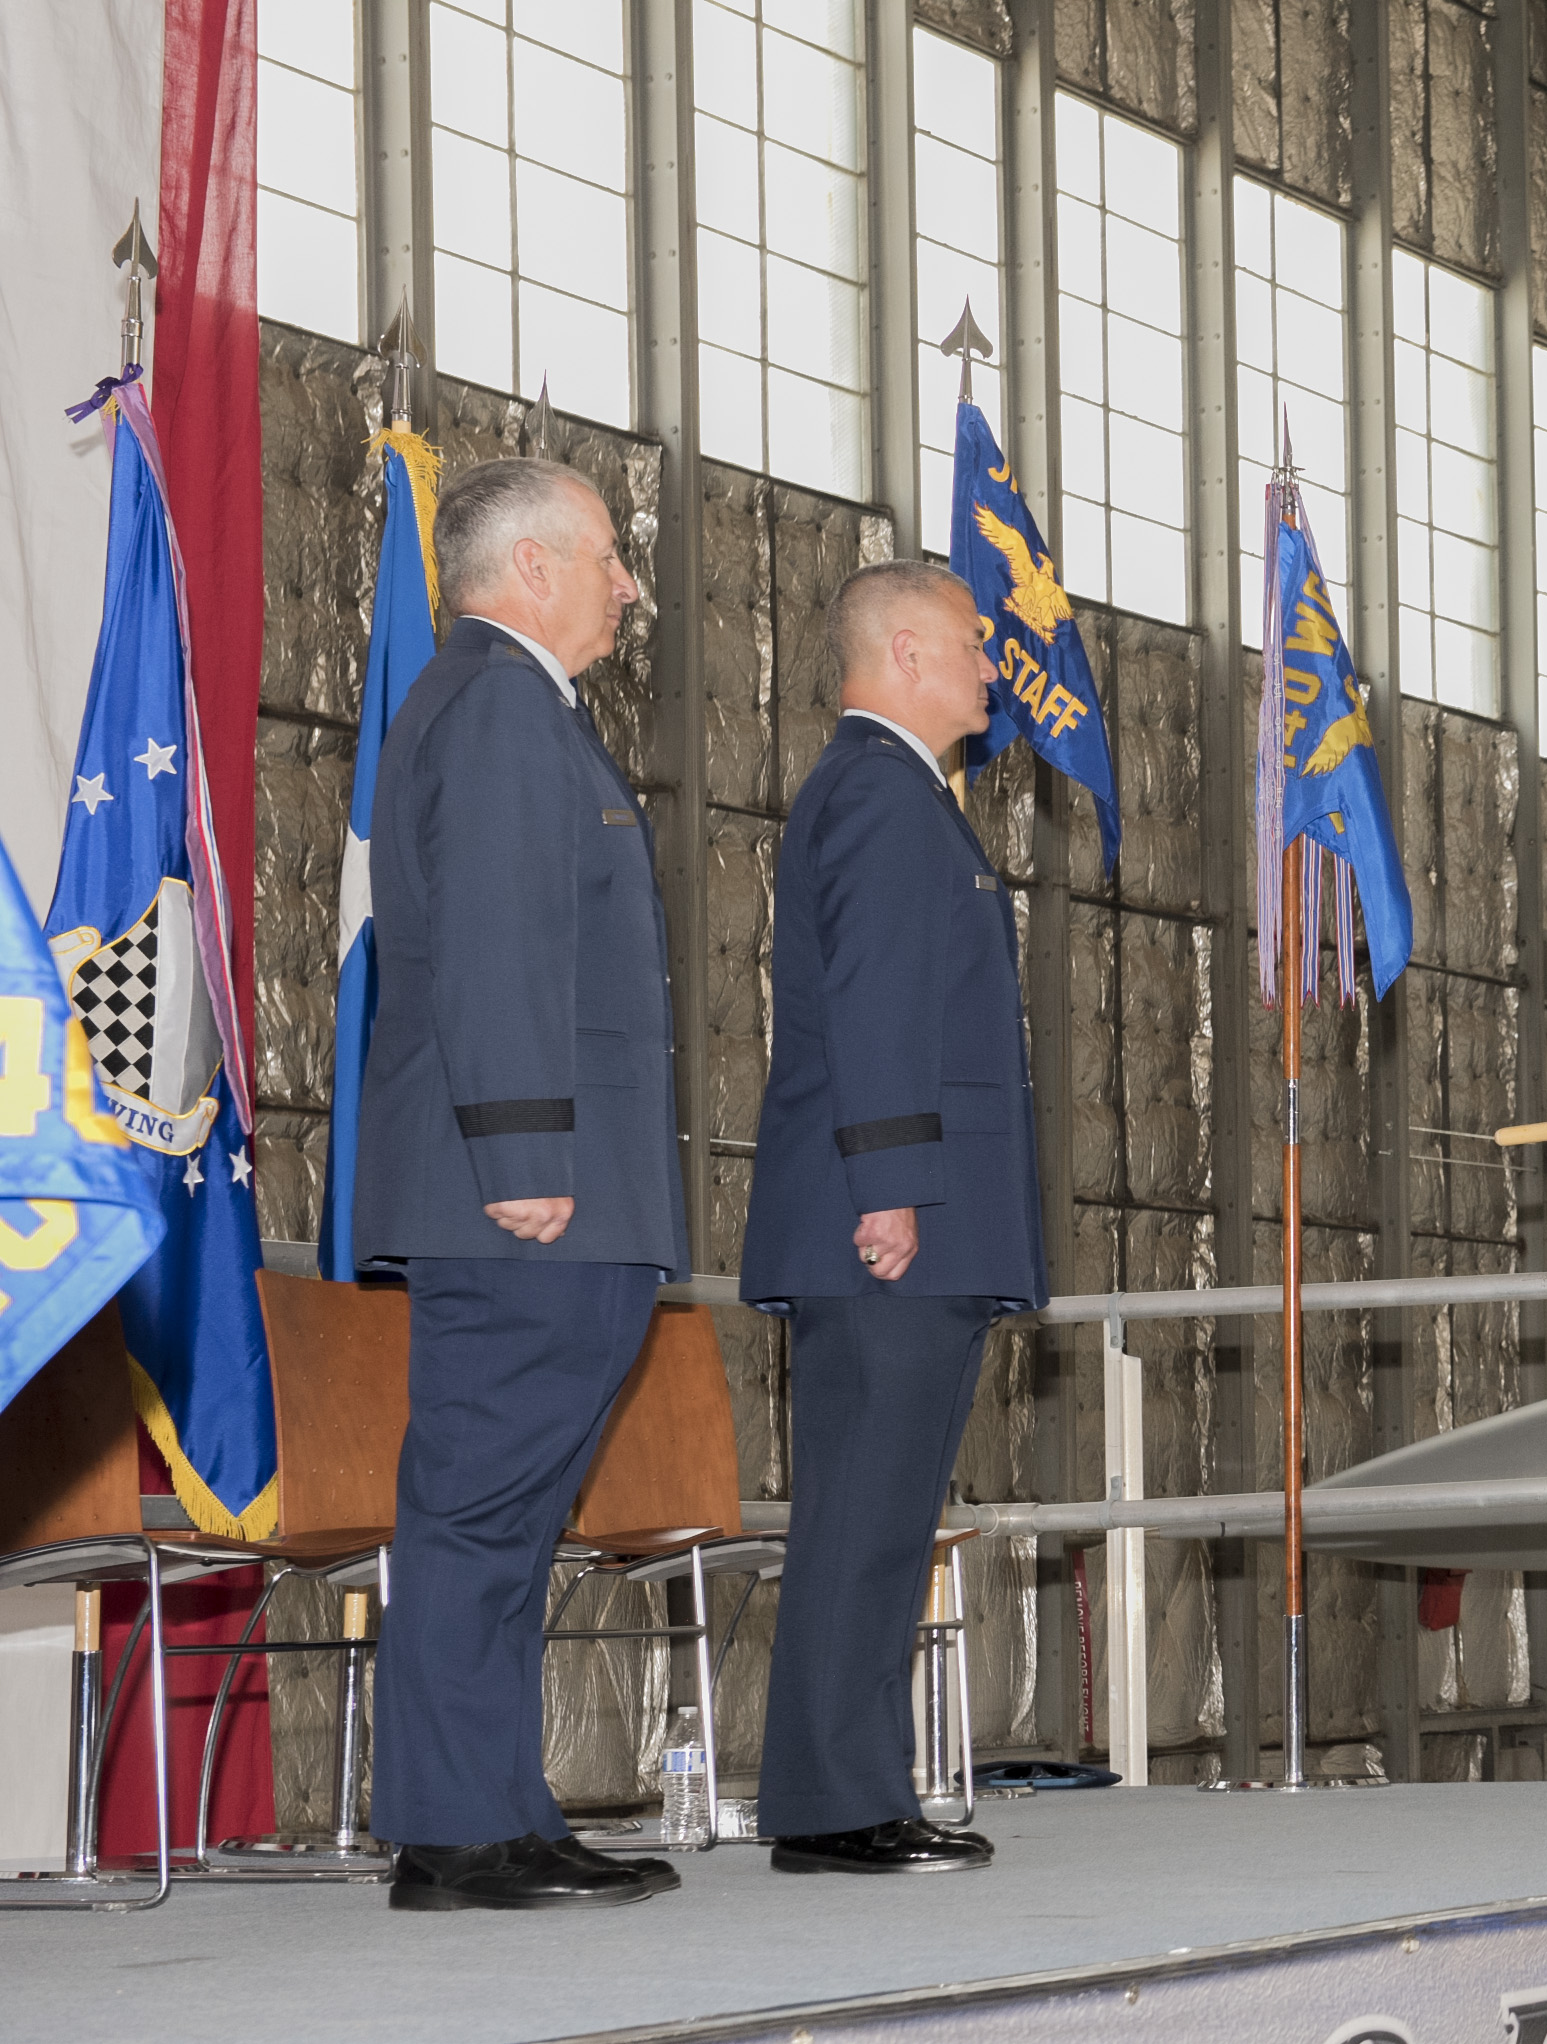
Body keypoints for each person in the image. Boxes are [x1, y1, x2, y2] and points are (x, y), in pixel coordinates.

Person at [357, 457, 686, 1912]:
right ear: (534, 566)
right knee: (480, 1510)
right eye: (609, 556)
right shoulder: (495, 701)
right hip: (527, 1188)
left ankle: (498, 1807)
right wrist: (526, 1151)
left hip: (562, 1185)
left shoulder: (524, 709)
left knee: (511, 1513)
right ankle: (449, 1827)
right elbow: (493, 939)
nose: (629, 582)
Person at [737, 563, 1044, 1873]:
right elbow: (871, 1005)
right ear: (911, 653)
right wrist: (890, 1189)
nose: (993, 670)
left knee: (885, 1518)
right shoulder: (876, 794)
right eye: (977, 647)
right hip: (890, 1219)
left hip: (917, 1209)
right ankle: (830, 1804)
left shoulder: (904, 798)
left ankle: (852, 1790)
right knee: (863, 1519)